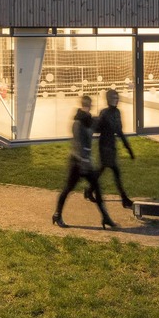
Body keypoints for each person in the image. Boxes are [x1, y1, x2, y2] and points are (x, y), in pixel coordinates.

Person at [53, 93, 115, 229]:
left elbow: (96, 124)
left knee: (97, 189)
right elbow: (78, 144)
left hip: (86, 162)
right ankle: (57, 215)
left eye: (90, 106)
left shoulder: (88, 121)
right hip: (77, 162)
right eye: (89, 106)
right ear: (84, 106)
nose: (90, 108)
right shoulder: (78, 123)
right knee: (68, 188)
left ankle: (105, 217)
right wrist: (83, 161)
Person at [94, 89, 135, 209]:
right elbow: (98, 128)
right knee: (115, 173)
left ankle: (89, 190)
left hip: (111, 145)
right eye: (113, 98)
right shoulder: (104, 113)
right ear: (108, 100)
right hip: (104, 146)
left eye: (117, 98)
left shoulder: (117, 113)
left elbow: (119, 131)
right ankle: (124, 199)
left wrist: (128, 148)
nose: (116, 100)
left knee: (102, 170)